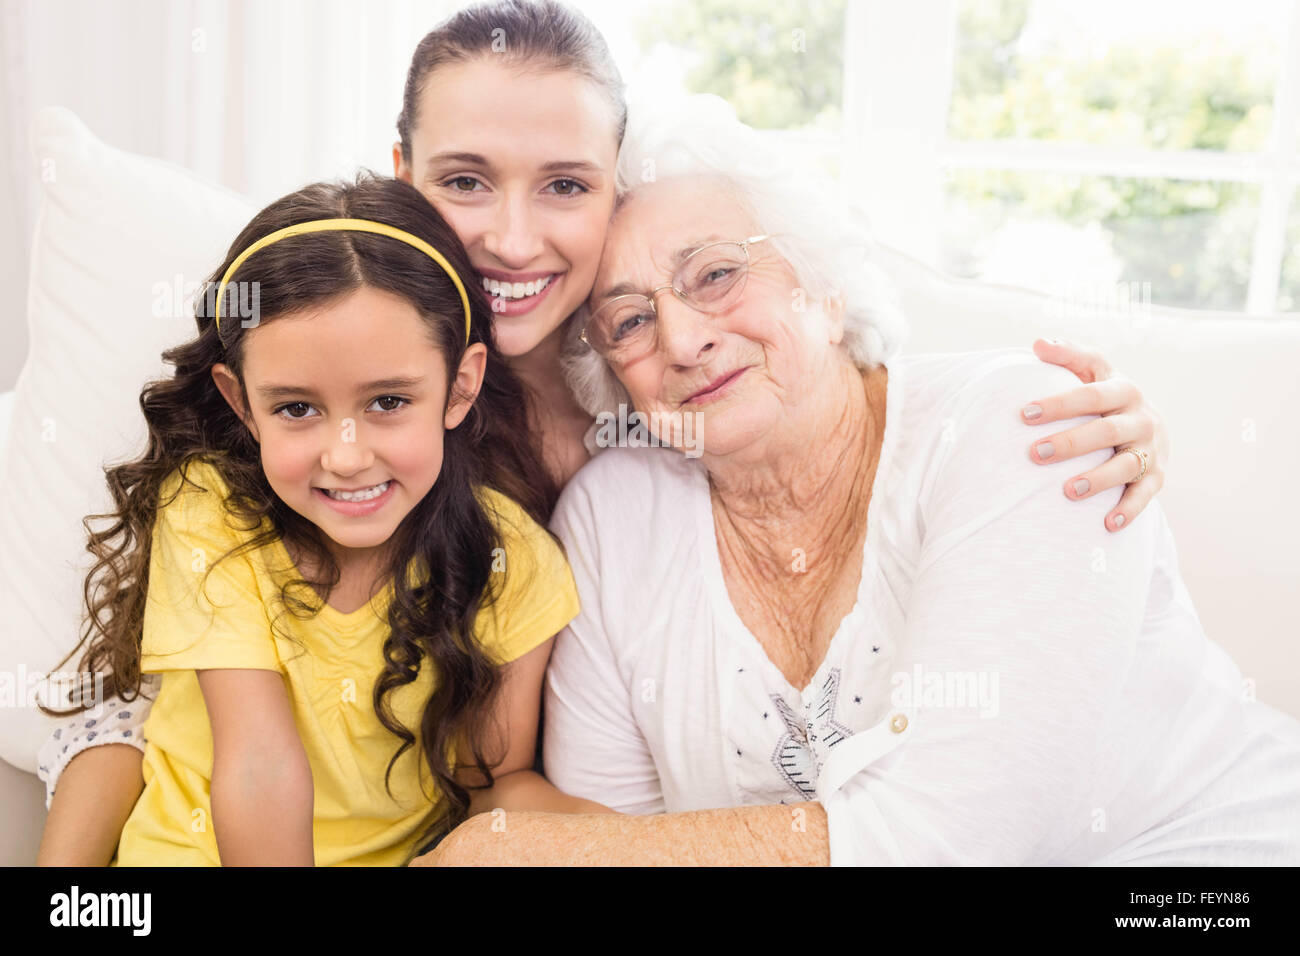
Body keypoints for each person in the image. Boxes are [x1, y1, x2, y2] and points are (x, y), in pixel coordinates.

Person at [35, 0, 1170, 865]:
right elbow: (161, 707)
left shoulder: (658, 424)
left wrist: (1090, 417)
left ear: (612, 186)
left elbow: (848, 357)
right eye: (465, 181)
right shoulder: (320, 338)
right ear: (403, 178)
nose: (513, 239)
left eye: (566, 186)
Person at [411, 95, 1300, 865]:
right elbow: (619, 825)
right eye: (631, 322)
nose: (682, 340)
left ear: (826, 288)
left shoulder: (1022, 427)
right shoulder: (613, 518)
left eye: (716, 275)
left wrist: (538, 853)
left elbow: (958, 838)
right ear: (616, 382)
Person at [38, 174, 612, 866]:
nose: (345, 458)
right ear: (242, 403)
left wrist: (643, 841)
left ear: (460, 386)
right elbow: (260, 765)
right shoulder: (211, 508)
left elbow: (493, 787)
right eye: (297, 409)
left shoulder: (513, 558)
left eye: (389, 401)